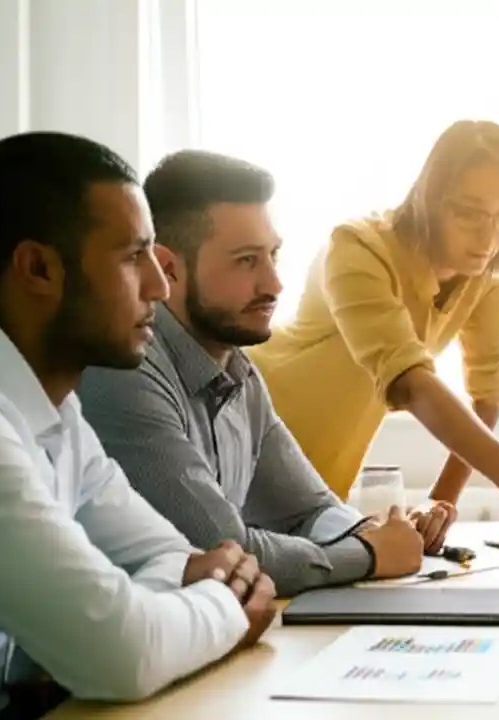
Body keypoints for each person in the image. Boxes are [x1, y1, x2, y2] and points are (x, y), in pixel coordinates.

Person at [0, 133, 276, 719]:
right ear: (38, 269)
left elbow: (176, 556)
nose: (160, 289)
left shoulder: (58, 413)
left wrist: (160, 605)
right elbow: (122, 653)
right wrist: (228, 607)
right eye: (131, 257)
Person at [78, 151, 450, 596]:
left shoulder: (241, 372)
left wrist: (379, 531)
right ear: (169, 269)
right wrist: (369, 555)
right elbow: (224, 550)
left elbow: (308, 511)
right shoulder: (126, 374)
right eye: (246, 261)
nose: (274, 284)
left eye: (273, 255)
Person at [248, 120, 499, 560]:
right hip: (252, 437)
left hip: (318, 488)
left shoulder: (486, 274)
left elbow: (490, 389)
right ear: (429, 198)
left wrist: (441, 499)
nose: (490, 235)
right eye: (470, 212)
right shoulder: (356, 248)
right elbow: (407, 379)